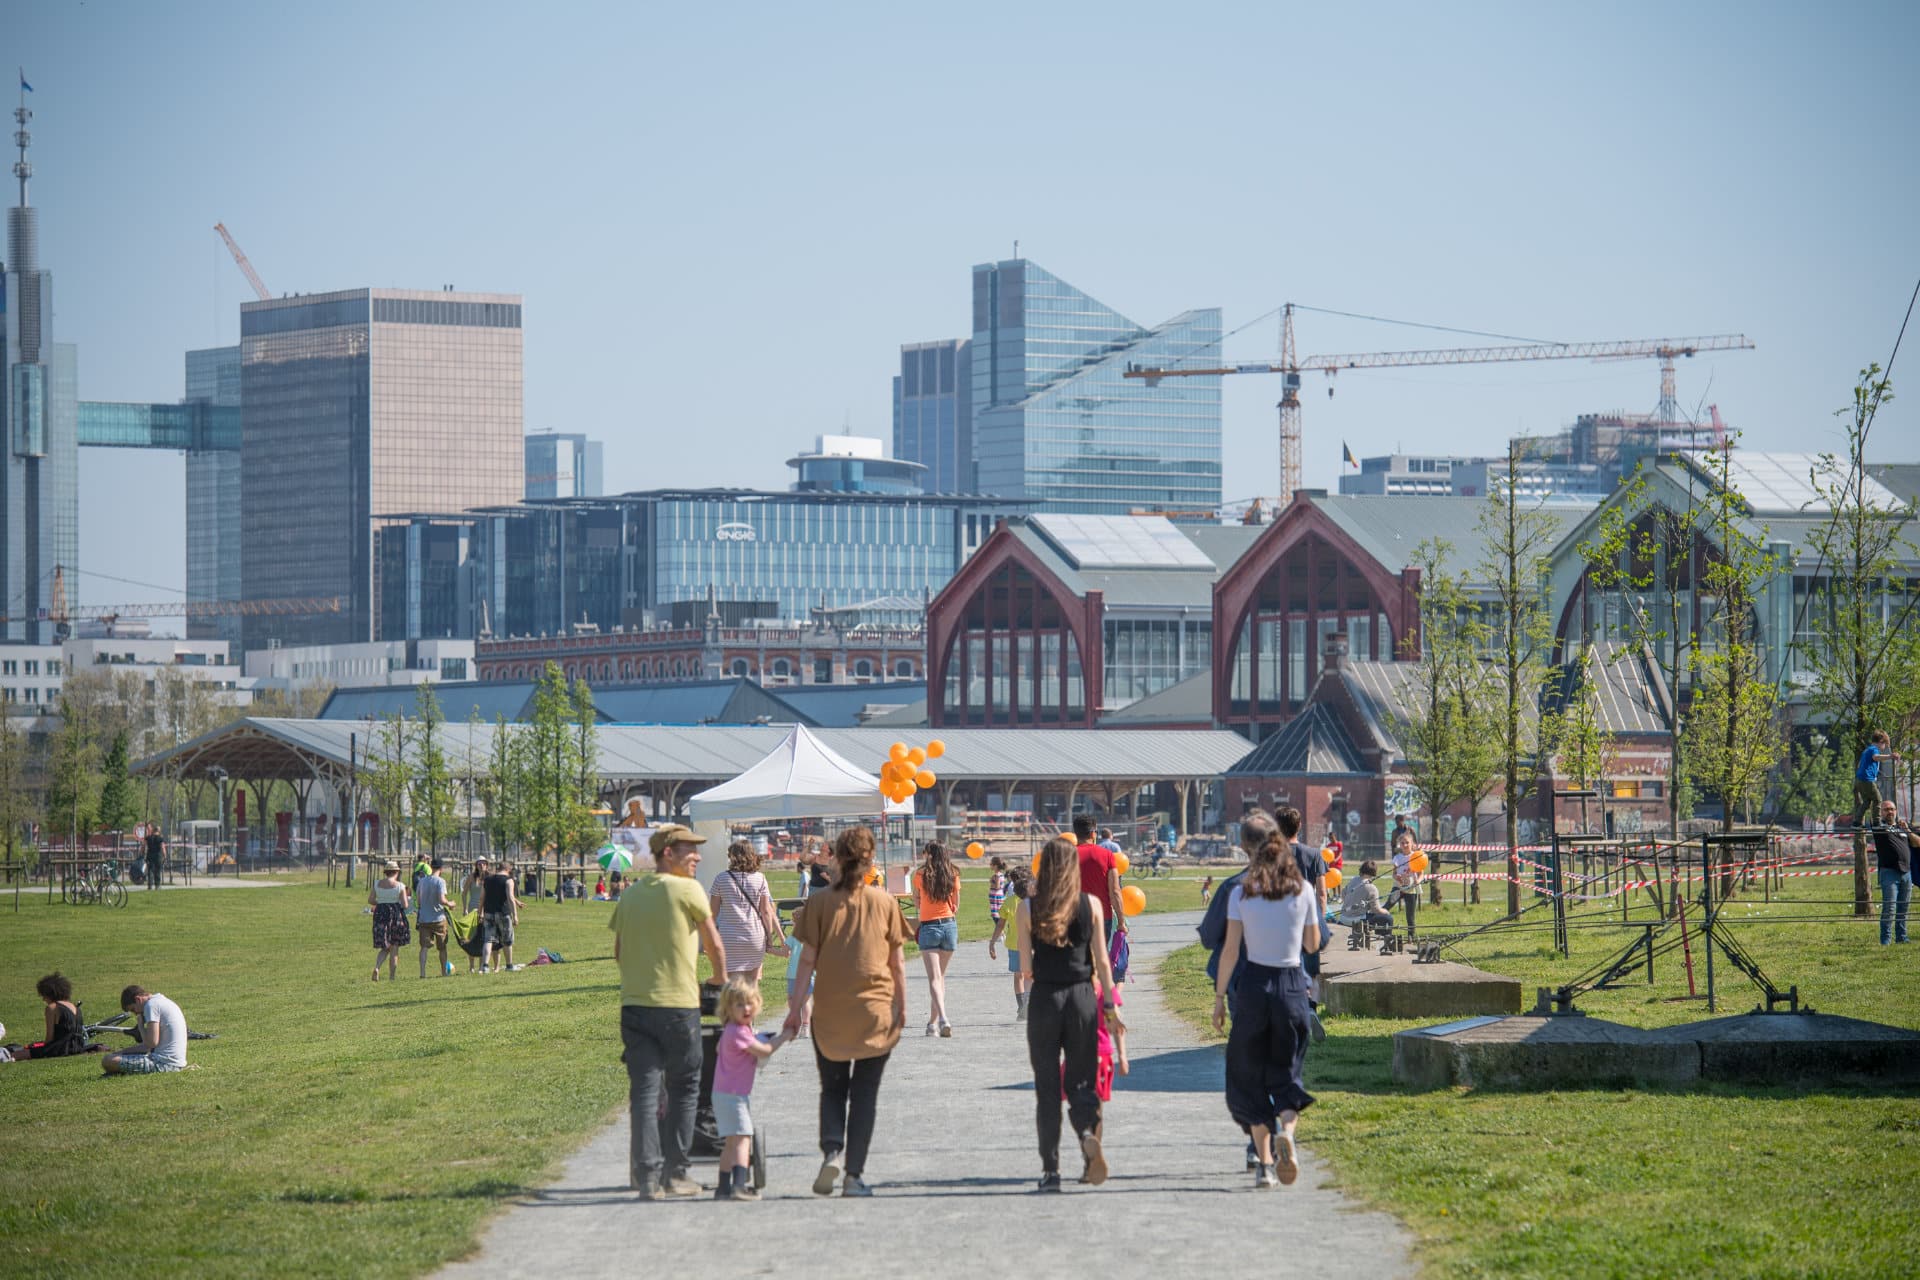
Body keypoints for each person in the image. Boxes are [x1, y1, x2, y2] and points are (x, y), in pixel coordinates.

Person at [781, 826, 908, 1198]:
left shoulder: (819, 903)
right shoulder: (885, 902)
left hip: (829, 1012)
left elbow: (806, 959)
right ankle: (854, 1175)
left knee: (832, 1089)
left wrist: (794, 1009)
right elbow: (897, 963)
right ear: (869, 860)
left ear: (835, 858)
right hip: (875, 1010)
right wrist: (902, 1006)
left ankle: (832, 1150)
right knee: (865, 1093)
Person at [611, 823, 727, 1201]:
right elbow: (714, 945)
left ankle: (646, 1176)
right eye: (688, 850)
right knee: (684, 1088)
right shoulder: (689, 890)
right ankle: (675, 1175)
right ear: (666, 854)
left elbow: (618, 952)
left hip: (635, 1006)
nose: (696, 856)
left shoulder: (629, 896)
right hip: (678, 1006)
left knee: (645, 1091)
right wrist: (719, 981)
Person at [1212, 815, 1323, 1190]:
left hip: (1255, 986)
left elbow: (1229, 950)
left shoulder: (1242, 892)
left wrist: (1218, 1000)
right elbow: (1312, 945)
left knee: (1247, 1077)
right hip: (1292, 986)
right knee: (1286, 1071)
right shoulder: (1303, 889)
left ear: (1248, 848)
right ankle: (1287, 1133)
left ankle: (1264, 1164)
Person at [1019, 835, 1125, 1192]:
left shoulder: (1028, 907)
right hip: (1082, 997)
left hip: (1046, 998)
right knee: (1081, 1081)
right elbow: (1103, 964)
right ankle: (1085, 1135)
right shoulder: (1091, 904)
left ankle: (1051, 1171)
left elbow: (1026, 968)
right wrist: (1109, 1005)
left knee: (1047, 1088)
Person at [711, 976, 793, 1200]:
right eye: (739, 1004)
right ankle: (739, 1186)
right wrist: (784, 1036)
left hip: (724, 1094)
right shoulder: (738, 1032)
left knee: (731, 1141)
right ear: (728, 1008)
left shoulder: (735, 1029)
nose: (746, 1008)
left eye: (750, 1003)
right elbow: (764, 1051)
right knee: (743, 1137)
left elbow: (719, 1049)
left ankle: (723, 1187)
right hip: (734, 1096)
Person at [1277, 806, 1329, 1044]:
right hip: (1309, 920)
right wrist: (1321, 916)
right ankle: (1310, 1008)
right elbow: (1321, 892)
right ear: (1300, 827)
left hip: (1281, 920)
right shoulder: (1314, 854)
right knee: (1311, 972)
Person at [710, 841, 786, 987]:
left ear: (732, 856)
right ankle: (751, 1009)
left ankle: (733, 1009)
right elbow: (766, 911)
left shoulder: (721, 879)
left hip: (729, 937)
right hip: (754, 936)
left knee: (731, 986)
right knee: (752, 985)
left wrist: (709, 939)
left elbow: (712, 913)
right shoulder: (760, 878)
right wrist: (769, 938)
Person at [913, 841, 961, 1037]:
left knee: (934, 978)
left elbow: (916, 899)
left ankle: (942, 1018)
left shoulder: (919, 875)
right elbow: (956, 905)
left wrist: (924, 904)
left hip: (929, 926)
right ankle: (933, 1023)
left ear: (929, 854)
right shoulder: (953, 873)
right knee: (941, 977)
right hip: (949, 925)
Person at [102, 985, 189, 1075]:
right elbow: (148, 1047)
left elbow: (150, 1044)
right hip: (175, 1063)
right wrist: (121, 1053)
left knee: (107, 1060)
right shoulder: (162, 1000)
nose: (136, 1013)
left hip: (164, 1064)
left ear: (138, 999)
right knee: (113, 1059)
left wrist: (140, 1026)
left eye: (133, 1009)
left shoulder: (151, 1006)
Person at [1073, 814, 1127, 949]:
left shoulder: (1064, 855)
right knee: (1098, 959)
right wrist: (1121, 921)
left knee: (1077, 961)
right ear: (1093, 834)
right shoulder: (1107, 855)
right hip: (1102, 916)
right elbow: (1115, 891)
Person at [14, 973, 87, 1059]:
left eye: (44, 995)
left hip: (60, 1049)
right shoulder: (75, 1007)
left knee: (15, 1054)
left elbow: (50, 1038)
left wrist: (41, 1049)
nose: (43, 999)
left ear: (50, 994)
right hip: (78, 1047)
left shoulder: (52, 1008)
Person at [1872, 801, 1912, 947]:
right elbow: (1873, 818)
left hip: (1907, 872)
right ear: (1881, 812)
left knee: (1904, 906)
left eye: (1892, 809)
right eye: (1886, 809)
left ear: (1896, 811)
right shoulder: (1879, 827)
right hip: (1889, 872)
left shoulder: (1901, 827)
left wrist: (1907, 830)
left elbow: (1917, 842)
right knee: (1889, 907)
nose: (1890, 812)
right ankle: (1886, 940)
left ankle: (1901, 936)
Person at [368, 862, 411, 982]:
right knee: (394, 947)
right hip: (396, 916)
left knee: (385, 946)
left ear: (386, 872)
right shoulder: (400, 886)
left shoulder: (377, 883)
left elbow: (371, 900)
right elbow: (405, 905)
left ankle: (377, 967)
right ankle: (392, 976)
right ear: (396, 872)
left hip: (380, 916)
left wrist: (382, 903)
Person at [1855, 731, 1901, 829]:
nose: (1884, 748)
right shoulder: (1874, 749)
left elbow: (1860, 764)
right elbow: (1876, 757)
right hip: (1867, 779)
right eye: (1885, 745)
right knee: (1878, 799)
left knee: (1867, 801)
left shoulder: (1867, 750)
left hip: (1860, 779)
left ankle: (1856, 823)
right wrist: (1891, 756)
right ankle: (1876, 823)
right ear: (1881, 741)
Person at [416, 857, 453, 978]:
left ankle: (422, 973)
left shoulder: (422, 881)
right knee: (442, 948)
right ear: (441, 869)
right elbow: (442, 900)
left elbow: (419, 901)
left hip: (424, 919)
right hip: (438, 919)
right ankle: (443, 972)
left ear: (431, 867)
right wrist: (450, 904)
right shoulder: (440, 881)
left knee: (424, 947)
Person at [482, 859, 521, 973]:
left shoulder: (487, 879)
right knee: (507, 940)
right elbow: (510, 898)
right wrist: (515, 915)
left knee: (488, 940)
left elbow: (482, 898)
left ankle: (485, 966)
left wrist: (480, 912)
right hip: (503, 913)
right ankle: (509, 966)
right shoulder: (508, 880)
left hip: (488, 913)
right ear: (508, 869)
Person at [1005, 867, 1034, 1019]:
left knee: (1022, 976)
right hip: (1037, 945)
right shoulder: (1039, 903)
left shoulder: (1015, 904)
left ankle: (1024, 1005)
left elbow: (1002, 922)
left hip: (1019, 945)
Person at [1339, 860, 1395, 933]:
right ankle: (1382, 939)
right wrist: (1386, 911)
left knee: (1371, 915)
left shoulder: (1353, 880)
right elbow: (1376, 910)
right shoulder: (1372, 888)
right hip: (1355, 920)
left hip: (1343, 917)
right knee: (1388, 918)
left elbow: (1343, 894)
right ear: (1374, 872)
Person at [1388, 829, 1421, 938]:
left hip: (1411, 889)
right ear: (1400, 845)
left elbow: (1421, 874)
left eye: (1407, 842)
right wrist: (1396, 876)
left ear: (1412, 844)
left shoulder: (1416, 856)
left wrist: (1418, 881)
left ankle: (1411, 938)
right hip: (1398, 887)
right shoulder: (1397, 858)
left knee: (1410, 916)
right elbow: (1393, 874)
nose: (1405, 845)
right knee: (1388, 904)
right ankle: (1378, 925)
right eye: (1402, 843)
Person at [463, 859, 490, 974]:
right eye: (479, 863)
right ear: (476, 865)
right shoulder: (471, 877)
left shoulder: (489, 878)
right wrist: (464, 908)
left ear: (487, 865)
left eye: (484, 863)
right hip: (472, 909)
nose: (481, 865)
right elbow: (464, 893)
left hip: (485, 909)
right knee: (472, 937)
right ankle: (471, 966)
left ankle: (481, 966)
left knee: (483, 937)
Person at [986, 857, 1009, 960]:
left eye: (991, 864)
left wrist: (992, 881)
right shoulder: (1000, 875)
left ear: (995, 865)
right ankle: (1001, 933)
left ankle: (1001, 934)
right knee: (996, 915)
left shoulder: (997, 875)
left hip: (996, 897)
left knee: (996, 916)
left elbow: (998, 886)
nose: (990, 865)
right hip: (996, 897)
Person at [143, 824, 165, 890]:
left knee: (150, 871)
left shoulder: (148, 838)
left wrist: (141, 853)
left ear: (153, 830)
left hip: (149, 856)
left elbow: (143, 846)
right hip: (158, 856)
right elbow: (162, 847)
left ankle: (150, 885)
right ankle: (157, 885)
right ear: (158, 831)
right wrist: (165, 855)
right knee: (157, 871)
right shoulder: (160, 838)